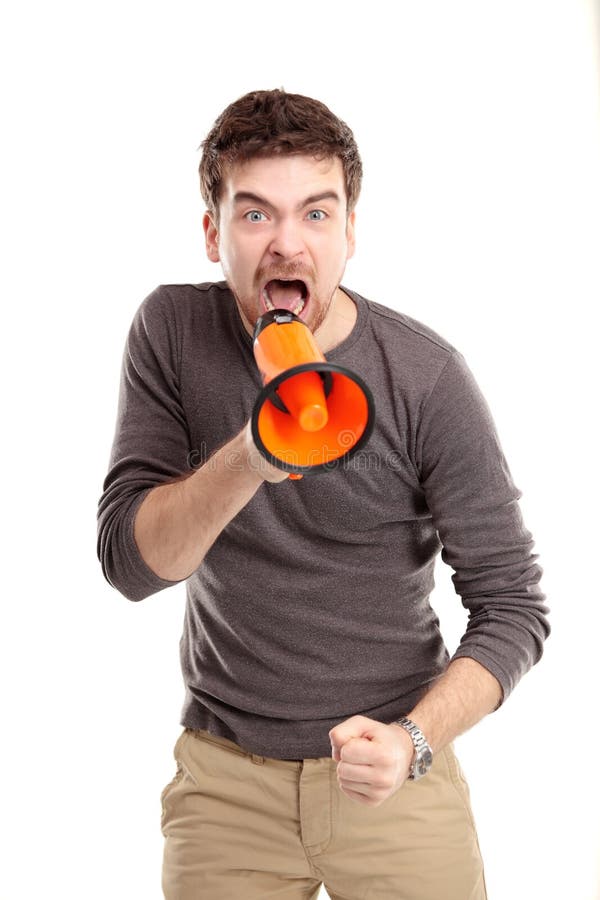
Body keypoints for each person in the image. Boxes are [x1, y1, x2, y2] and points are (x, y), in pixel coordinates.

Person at [97, 89, 550, 900]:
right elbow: (133, 566)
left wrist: (414, 739)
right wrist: (254, 452)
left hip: (395, 774)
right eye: (255, 216)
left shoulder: (426, 377)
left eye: (315, 214)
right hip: (224, 783)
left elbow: (514, 605)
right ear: (213, 233)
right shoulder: (171, 333)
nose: (287, 246)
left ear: (350, 232)